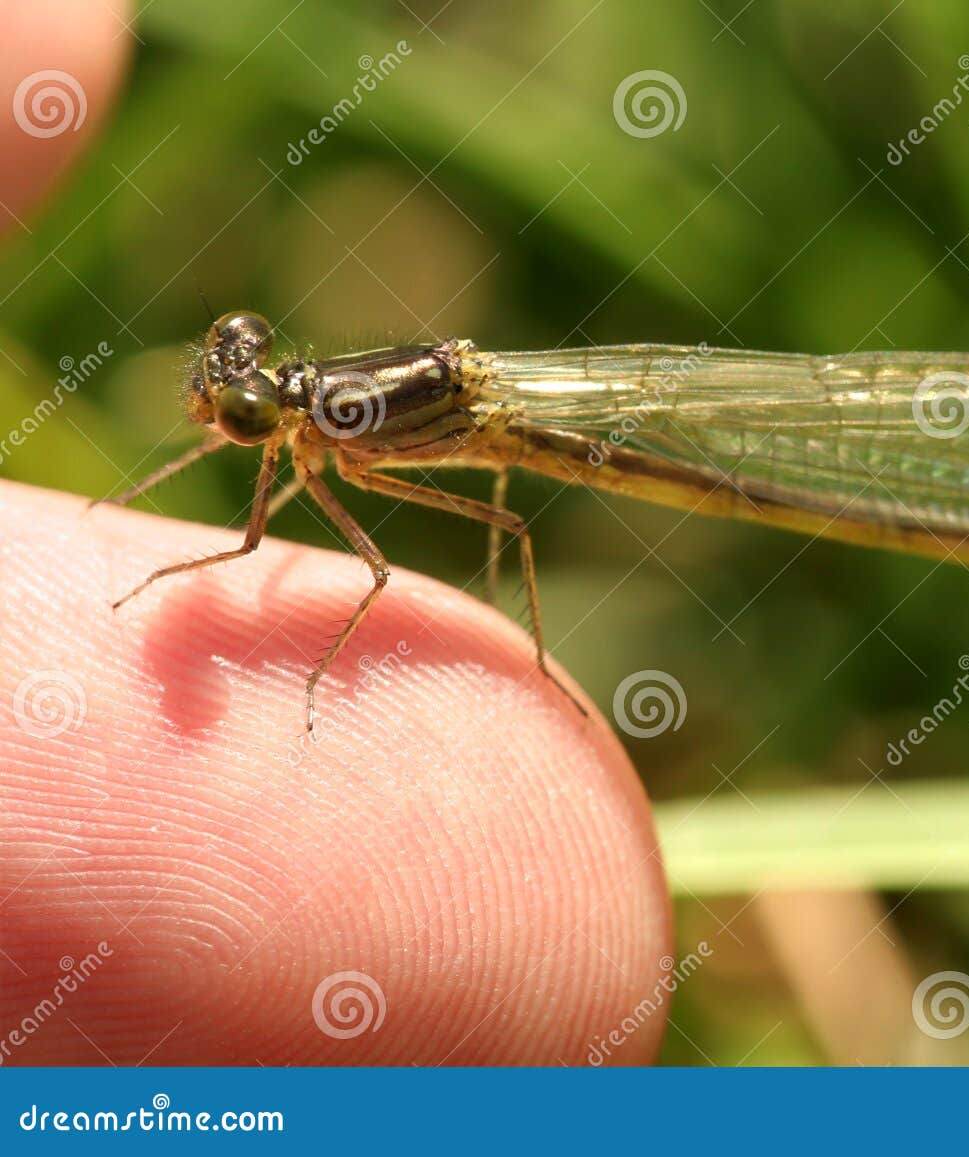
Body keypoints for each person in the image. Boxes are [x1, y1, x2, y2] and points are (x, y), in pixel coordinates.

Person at [0, 0, 671, 1065]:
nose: (236, 416)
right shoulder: (294, 422)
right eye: (240, 402)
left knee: (506, 521)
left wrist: (309, 683)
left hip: (553, 421)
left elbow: (318, 563)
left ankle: (537, 670)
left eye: (244, 413)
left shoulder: (311, 433)